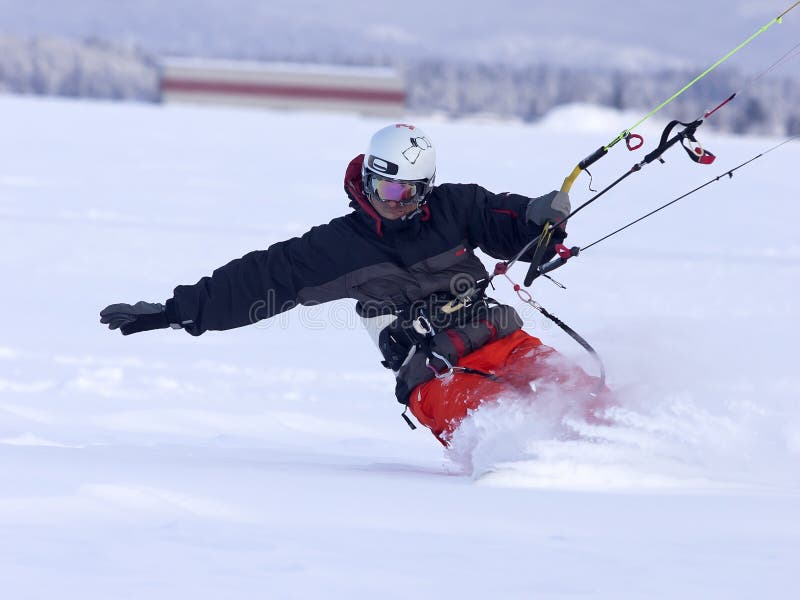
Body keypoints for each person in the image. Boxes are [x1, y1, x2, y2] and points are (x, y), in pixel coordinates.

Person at [101, 123, 604, 445]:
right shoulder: (338, 247)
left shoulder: (457, 206)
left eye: (405, 192)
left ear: (424, 189)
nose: (392, 200)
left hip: (503, 340)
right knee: (513, 424)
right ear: (366, 178)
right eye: (382, 186)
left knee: (583, 399)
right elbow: (260, 278)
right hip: (435, 374)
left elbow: (517, 229)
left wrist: (542, 218)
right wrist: (176, 311)